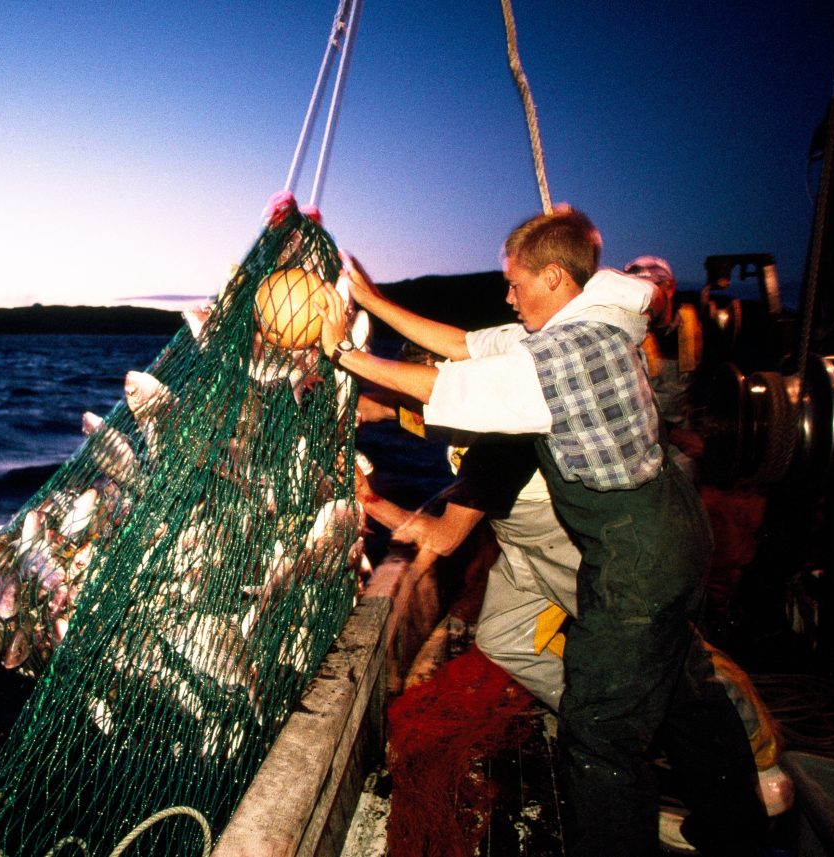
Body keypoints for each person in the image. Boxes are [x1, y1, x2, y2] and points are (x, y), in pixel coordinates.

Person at [319, 207, 768, 857]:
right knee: (684, 681)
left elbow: (443, 383)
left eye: (515, 282)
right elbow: (466, 346)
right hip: (670, 520)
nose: (506, 295)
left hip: (634, 546)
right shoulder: (588, 316)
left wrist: (343, 349)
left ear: (554, 276)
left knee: (599, 733)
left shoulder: (562, 357)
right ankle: (739, 829)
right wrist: (370, 299)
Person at [625, 255, 704, 479]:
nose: (643, 299)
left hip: (681, 441)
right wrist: (677, 435)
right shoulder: (626, 334)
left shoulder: (696, 327)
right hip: (640, 440)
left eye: (650, 289)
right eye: (637, 290)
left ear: (670, 287)